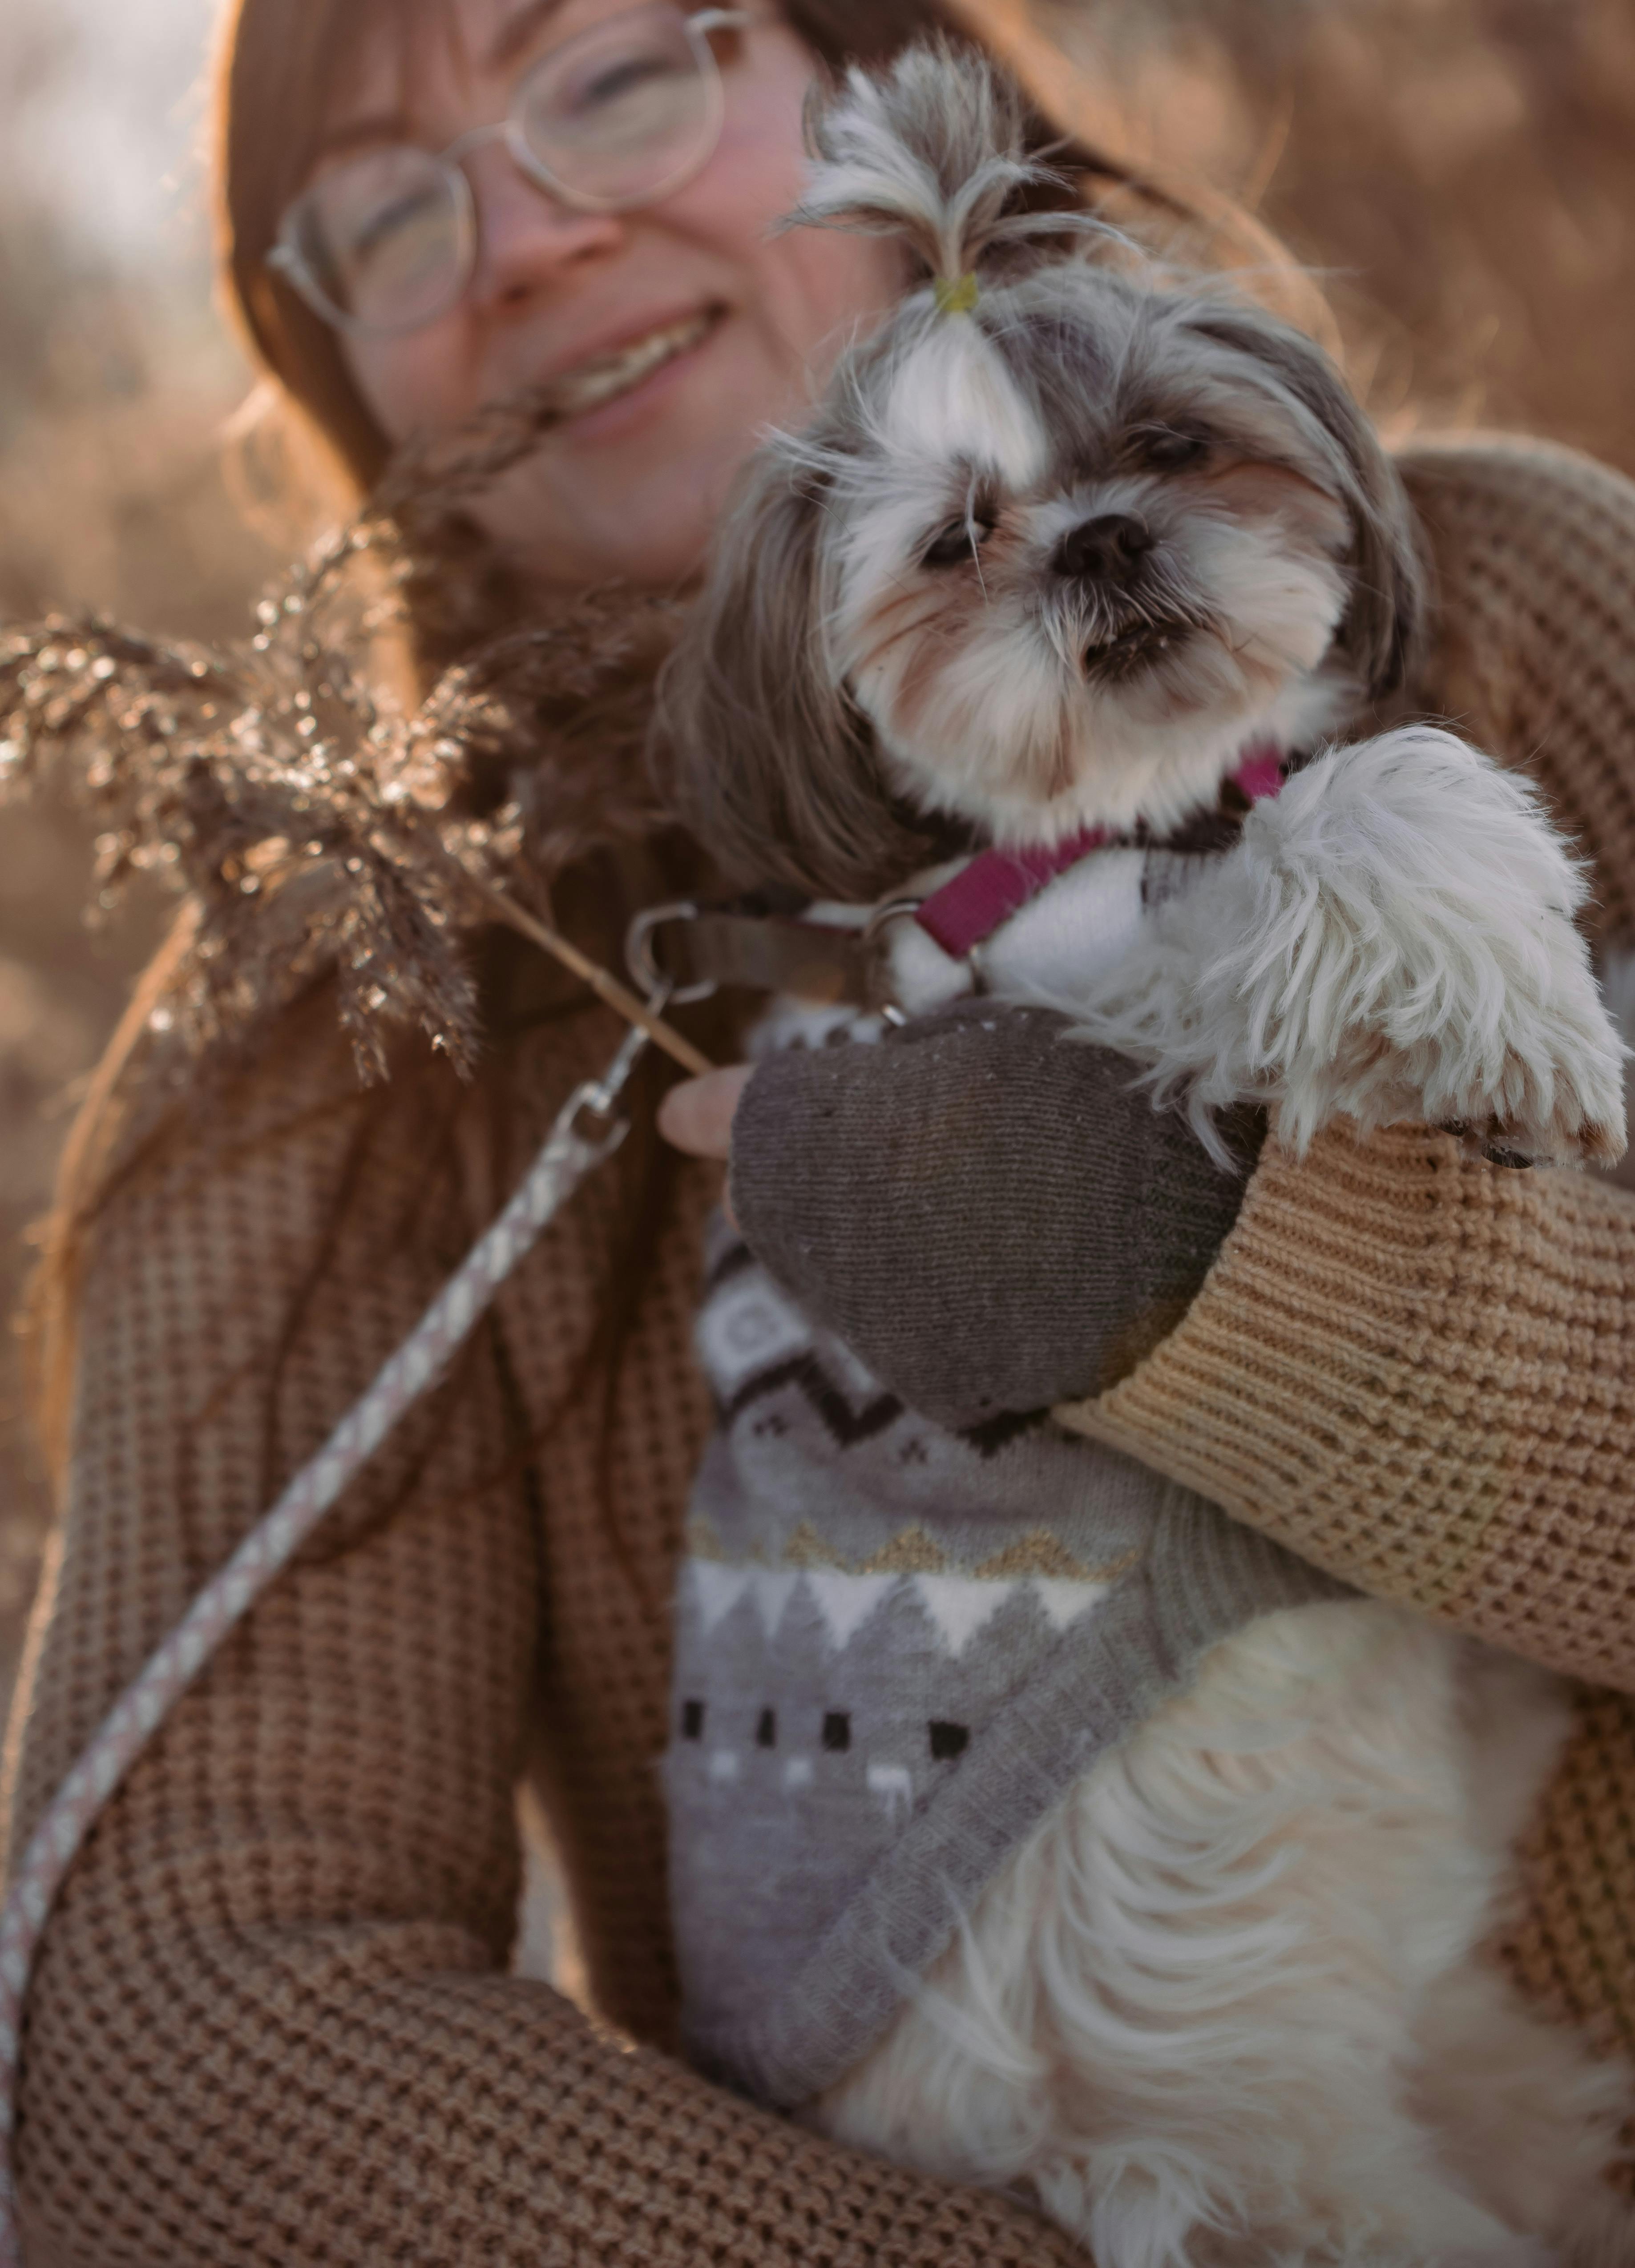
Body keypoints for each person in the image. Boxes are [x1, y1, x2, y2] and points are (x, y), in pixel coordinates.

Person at [3, 0, 1633, 2260]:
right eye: (388, 205)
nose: (526, 232)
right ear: (339, 378)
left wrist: (1225, 1280)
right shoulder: (331, 1043)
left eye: (603, 75)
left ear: (859, 73)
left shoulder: (1517, 616)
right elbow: (172, 2037)